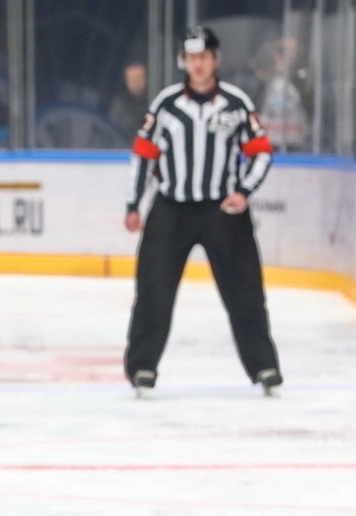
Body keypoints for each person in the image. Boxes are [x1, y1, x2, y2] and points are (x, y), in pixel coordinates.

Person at [123, 26, 282, 398]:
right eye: (192, 58)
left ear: (215, 60)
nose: (198, 64)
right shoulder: (165, 104)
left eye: (204, 57)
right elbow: (143, 156)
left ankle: (264, 366)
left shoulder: (236, 103)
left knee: (245, 291)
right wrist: (133, 204)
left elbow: (261, 151)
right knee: (153, 290)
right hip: (171, 209)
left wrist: (244, 191)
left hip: (222, 211)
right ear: (184, 61)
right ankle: (142, 367)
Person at [109, 61, 149, 136]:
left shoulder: (155, 101)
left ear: (147, 79)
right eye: (132, 79)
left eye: (139, 78)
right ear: (126, 82)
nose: (136, 83)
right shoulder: (120, 105)